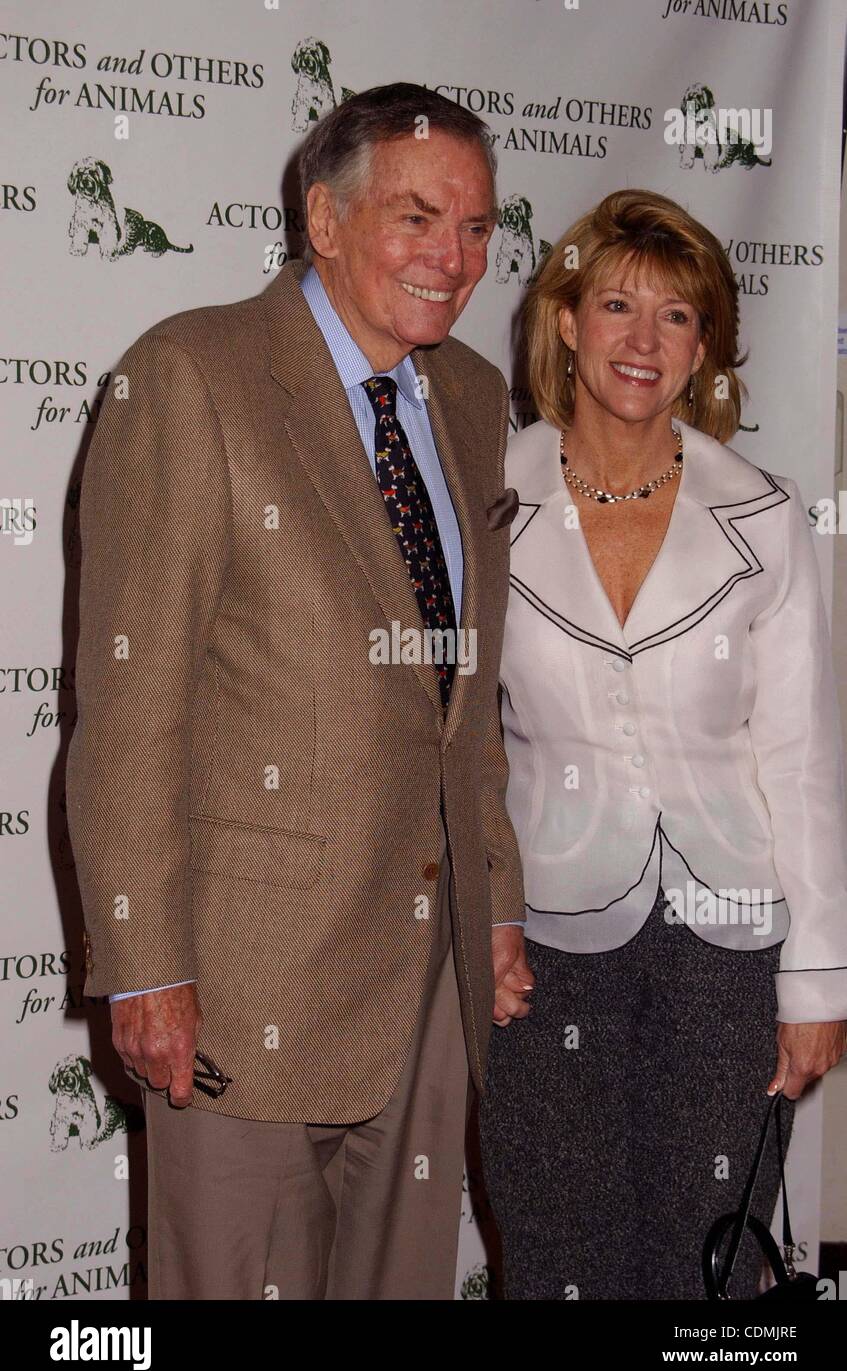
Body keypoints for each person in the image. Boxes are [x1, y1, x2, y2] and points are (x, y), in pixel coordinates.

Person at [65, 82, 527, 1301]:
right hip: (242, 974)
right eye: (419, 217)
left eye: (478, 228)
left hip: (431, 977)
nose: (455, 258)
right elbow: (130, 705)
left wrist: (497, 898)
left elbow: (463, 701)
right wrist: (147, 962)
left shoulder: (475, 398)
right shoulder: (190, 376)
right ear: (323, 220)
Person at [478, 188, 847, 1300]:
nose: (642, 340)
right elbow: (444, 746)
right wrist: (481, 914)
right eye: (617, 304)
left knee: (710, 1263)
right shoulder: (486, 500)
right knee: (557, 1257)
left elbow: (802, 756)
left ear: (704, 351)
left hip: (729, 946)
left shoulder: (765, 513)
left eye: (676, 317)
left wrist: (819, 976)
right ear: (565, 319)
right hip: (542, 946)